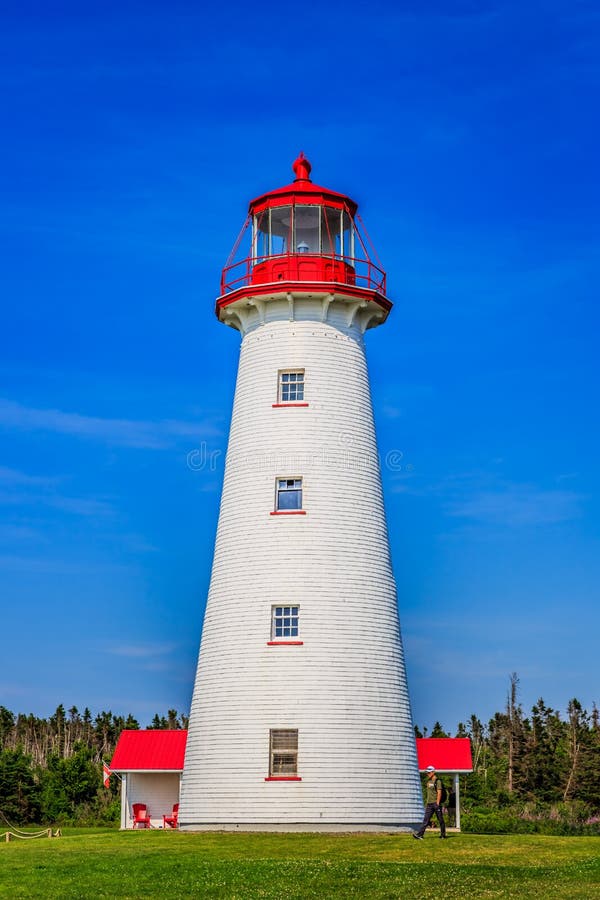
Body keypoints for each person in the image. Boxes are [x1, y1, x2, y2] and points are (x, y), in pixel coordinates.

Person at [413, 764, 447, 839]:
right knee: (426, 820)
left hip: (436, 803)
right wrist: (427, 802)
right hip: (429, 804)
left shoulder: (437, 781)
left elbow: (439, 792)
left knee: (440, 819)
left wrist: (437, 802)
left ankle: (443, 835)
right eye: (427, 772)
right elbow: (429, 793)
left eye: (429, 772)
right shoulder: (428, 781)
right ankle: (420, 835)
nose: (427, 774)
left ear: (433, 772)